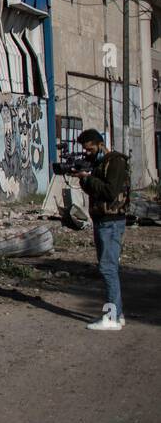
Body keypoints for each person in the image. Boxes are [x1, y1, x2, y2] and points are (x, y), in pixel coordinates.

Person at [74, 129, 130, 330]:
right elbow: (94, 190)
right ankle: (118, 314)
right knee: (109, 267)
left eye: (89, 149)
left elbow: (110, 192)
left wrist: (89, 178)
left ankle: (112, 317)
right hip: (103, 221)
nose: (87, 153)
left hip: (111, 222)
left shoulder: (115, 161)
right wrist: (83, 178)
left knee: (108, 268)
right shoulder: (100, 163)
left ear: (99, 144)